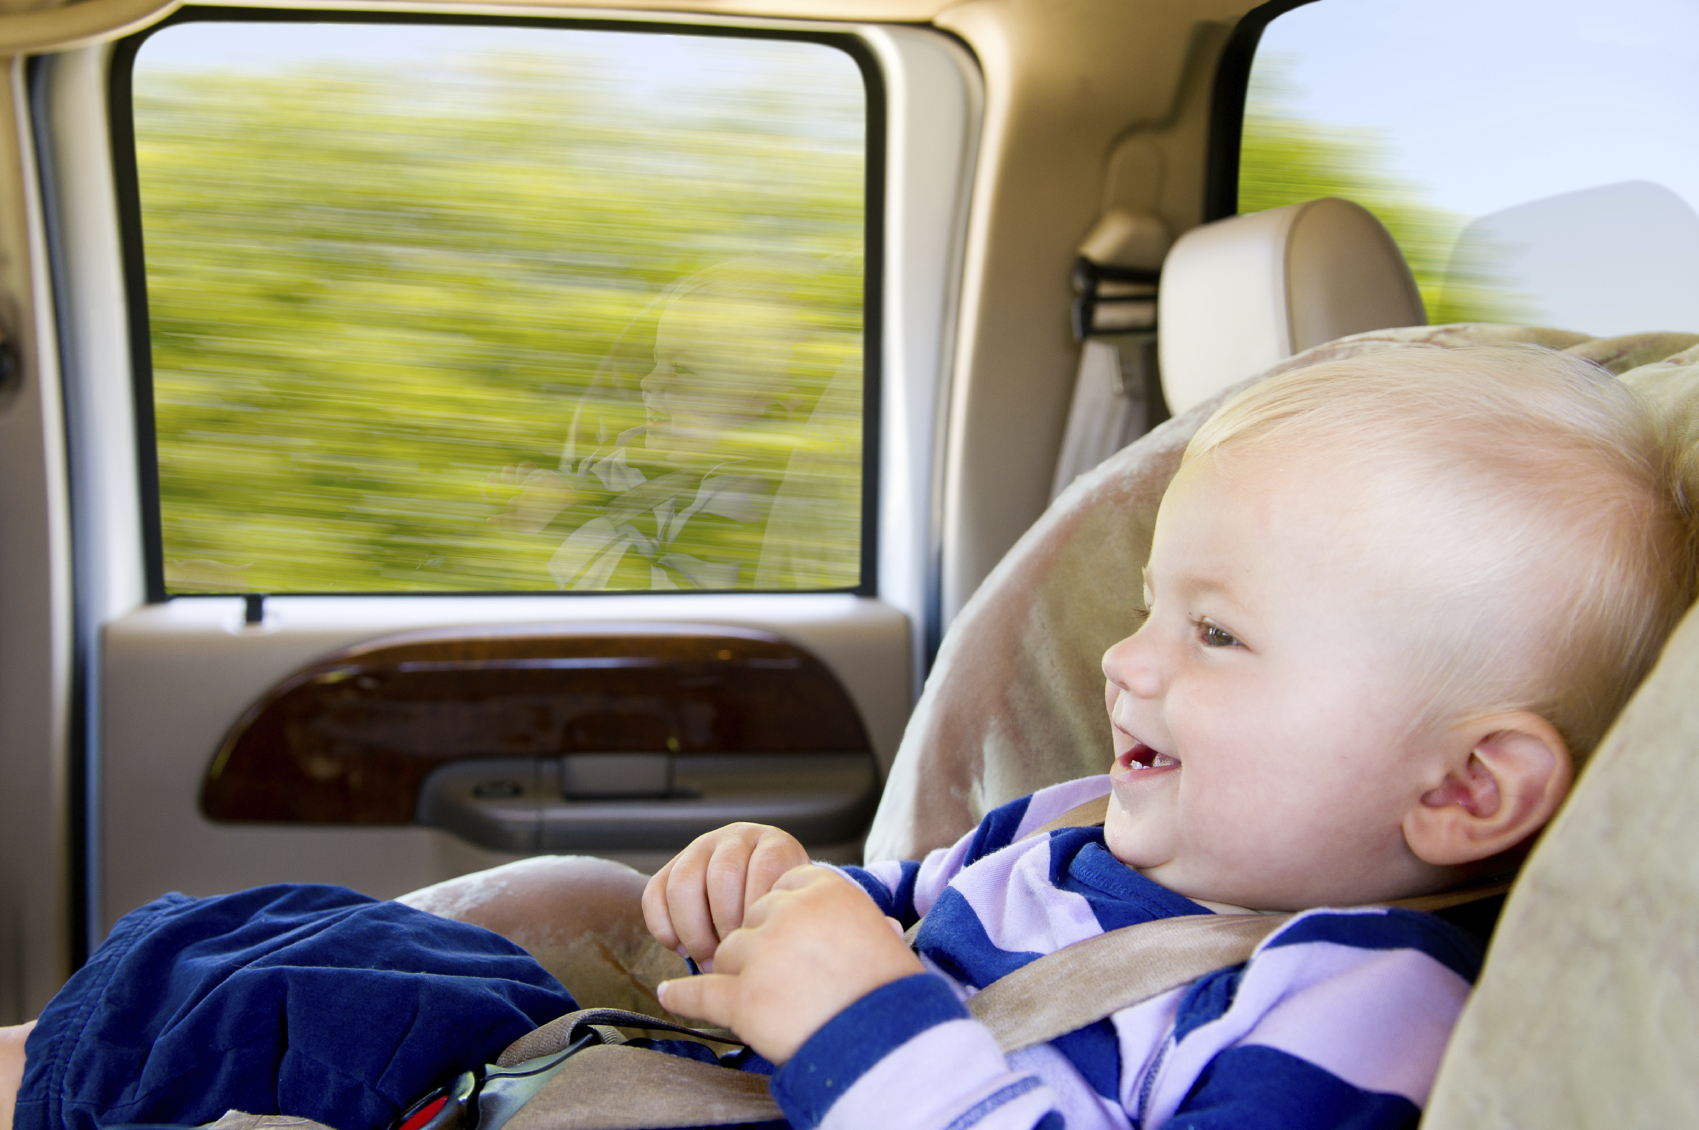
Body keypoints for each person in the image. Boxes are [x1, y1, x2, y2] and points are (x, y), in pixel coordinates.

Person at [4, 345, 1691, 1130]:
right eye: (1153, 603)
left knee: (286, 1008)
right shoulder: (1075, 831)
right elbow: (902, 916)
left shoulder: (1357, 1009)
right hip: (672, 1082)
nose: (1125, 659)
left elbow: (923, 1043)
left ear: (1464, 786)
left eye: (1216, 634)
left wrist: (865, 1026)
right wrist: (782, 900)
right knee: (275, 947)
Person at [484, 257, 862, 591]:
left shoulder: (740, 502)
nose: (648, 382)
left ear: (777, 407)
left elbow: (672, 609)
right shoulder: (632, 453)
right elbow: (592, 495)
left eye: (682, 369)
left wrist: (564, 522)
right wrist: (533, 496)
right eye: (656, 362)